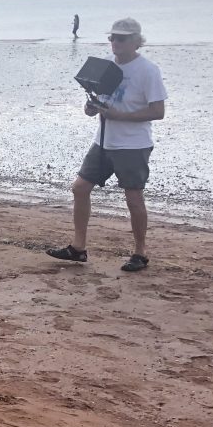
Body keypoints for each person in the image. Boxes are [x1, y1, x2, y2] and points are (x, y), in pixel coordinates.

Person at [47, 18, 168, 272]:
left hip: (133, 145)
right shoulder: (105, 67)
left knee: (133, 198)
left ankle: (140, 253)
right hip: (103, 141)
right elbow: (96, 105)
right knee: (80, 188)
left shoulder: (148, 70)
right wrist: (91, 108)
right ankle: (78, 248)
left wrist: (120, 116)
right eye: (112, 37)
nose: (115, 42)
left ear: (136, 41)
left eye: (121, 38)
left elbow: (158, 111)